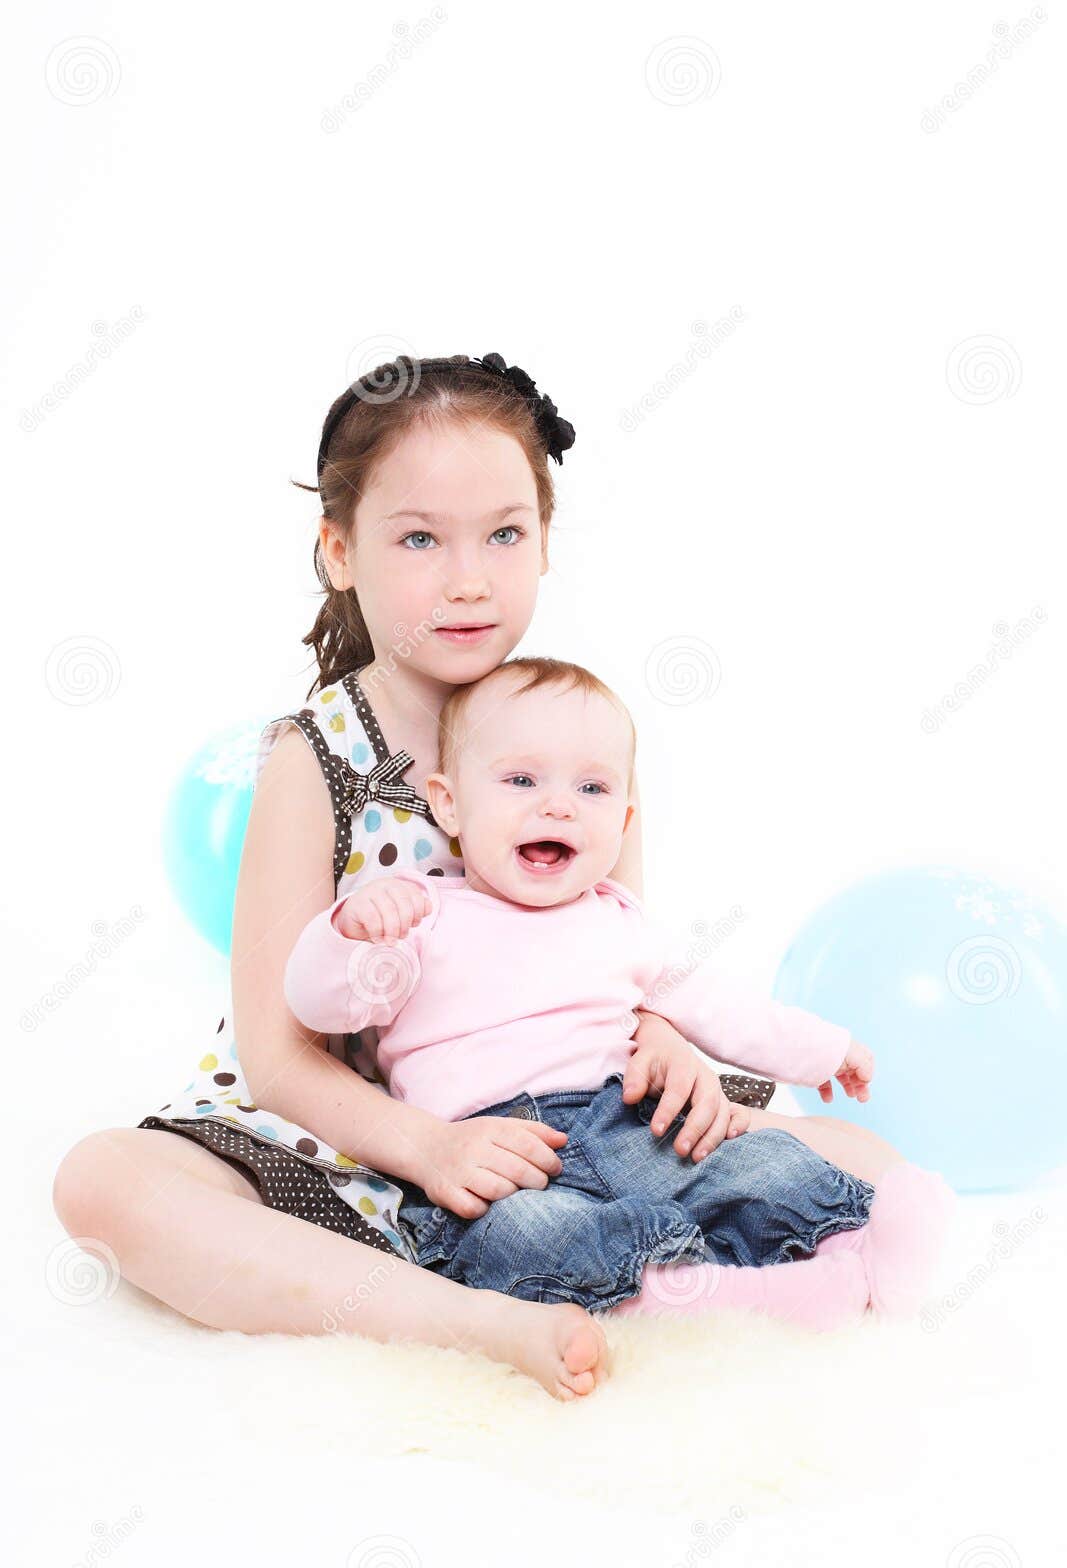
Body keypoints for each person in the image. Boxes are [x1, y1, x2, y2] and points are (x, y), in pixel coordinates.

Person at [52, 351, 922, 1402]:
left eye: (503, 534)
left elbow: (622, 943)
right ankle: (465, 1317)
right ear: (339, 550)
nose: (468, 578)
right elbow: (278, 1059)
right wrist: (424, 1146)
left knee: (855, 1160)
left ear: (545, 542)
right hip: (354, 1122)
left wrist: (663, 1042)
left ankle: (627, 1262)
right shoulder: (314, 755)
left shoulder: (574, 728)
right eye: (419, 538)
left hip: (558, 1111)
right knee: (106, 1183)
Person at [284, 657, 954, 1326]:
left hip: (625, 1120)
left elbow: (718, 1007)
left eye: (592, 788)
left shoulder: (618, 920)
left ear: (623, 819)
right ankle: (695, 1297)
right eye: (520, 780)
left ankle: (855, 1256)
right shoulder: (420, 913)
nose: (558, 805)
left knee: (756, 1165)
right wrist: (348, 934)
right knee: (524, 1234)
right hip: (495, 1149)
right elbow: (321, 1005)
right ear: (449, 803)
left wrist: (824, 1051)